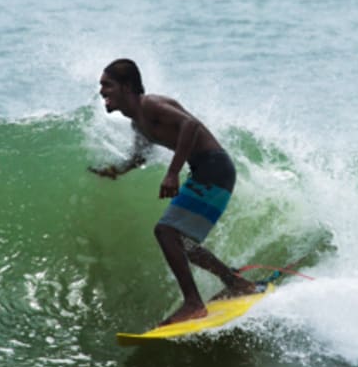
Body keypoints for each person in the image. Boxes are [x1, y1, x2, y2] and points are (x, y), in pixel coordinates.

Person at [91, 59, 258, 325]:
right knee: (182, 242)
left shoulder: (151, 105)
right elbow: (140, 156)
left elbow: (190, 126)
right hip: (206, 170)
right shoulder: (138, 122)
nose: (101, 91)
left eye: (107, 85)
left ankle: (193, 303)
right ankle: (236, 282)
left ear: (126, 86)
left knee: (166, 231)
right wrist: (118, 171)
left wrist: (172, 173)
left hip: (213, 167)